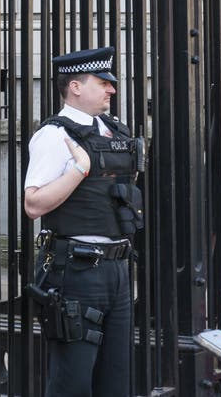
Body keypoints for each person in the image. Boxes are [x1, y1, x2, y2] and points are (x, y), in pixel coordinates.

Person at [24, 47, 144, 397]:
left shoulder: (113, 130)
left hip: (117, 270)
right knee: (73, 381)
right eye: (103, 83)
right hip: (78, 270)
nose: (112, 89)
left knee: (116, 379)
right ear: (75, 86)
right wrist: (80, 169)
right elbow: (33, 204)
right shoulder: (55, 135)